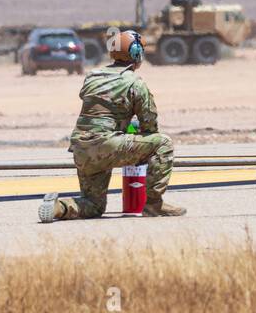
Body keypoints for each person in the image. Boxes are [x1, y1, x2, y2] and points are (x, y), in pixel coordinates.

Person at [38, 29, 186, 221]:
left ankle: (59, 208)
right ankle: (153, 205)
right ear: (136, 54)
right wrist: (138, 146)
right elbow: (150, 125)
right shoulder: (134, 82)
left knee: (93, 205)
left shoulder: (93, 76)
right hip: (107, 144)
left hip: (81, 148)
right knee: (163, 143)